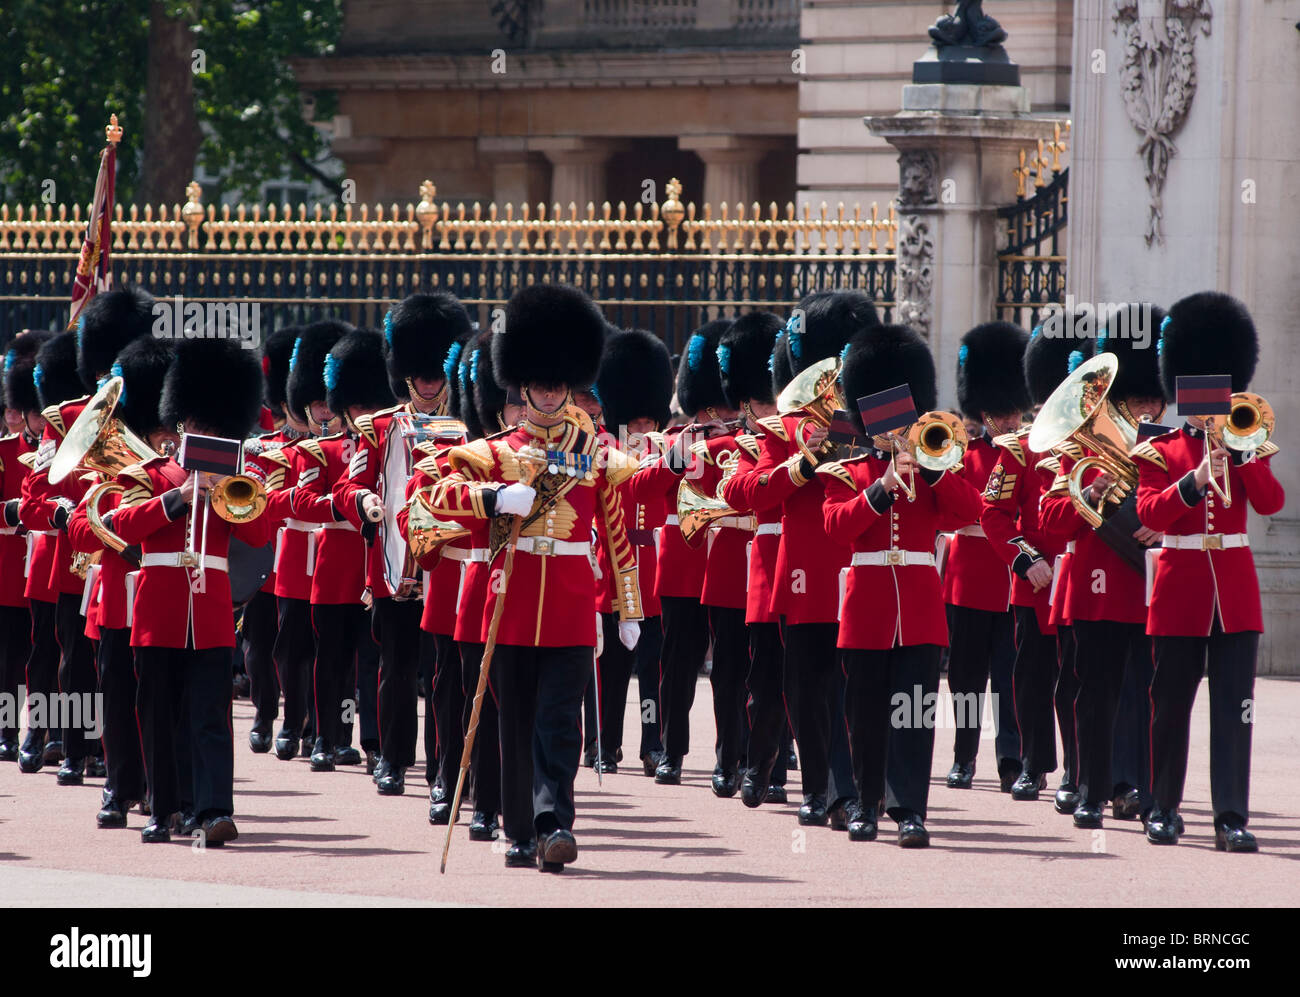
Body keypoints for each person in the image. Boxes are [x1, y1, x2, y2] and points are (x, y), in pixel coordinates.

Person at [425, 282, 643, 872]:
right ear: (521, 384)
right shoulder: (490, 454)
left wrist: (629, 608)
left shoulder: (598, 456)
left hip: (571, 603)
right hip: (511, 600)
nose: (548, 392)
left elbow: (618, 535)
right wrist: (493, 498)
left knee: (558, 724)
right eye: (540, 383)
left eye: (557, 382)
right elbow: (436, 496)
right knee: (513, 722)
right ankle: (519, 830)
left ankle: (554, 825)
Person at [821, 323, 982, 847]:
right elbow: (835, 527)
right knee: (865, 713)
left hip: (917, 601)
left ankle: (909, 808)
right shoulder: (848, 470)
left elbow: (971, 511)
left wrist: (932, 471)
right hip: (867, 602)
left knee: (915, 711)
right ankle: (866, 805)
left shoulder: (936, 467)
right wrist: (883, 488)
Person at [110, 334, 274, 844]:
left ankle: (213, 810)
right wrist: (178, 497)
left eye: (215, 424)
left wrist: (231, 490)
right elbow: (119, 523)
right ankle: (163, 809)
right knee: (158, 715)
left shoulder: (237, 476)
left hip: (210, 611)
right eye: (199, 422)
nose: (206, 431)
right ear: (182, 421)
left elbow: (257, 534)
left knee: (209, 716)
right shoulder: (153, 473)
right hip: (159, 607)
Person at [1135, 291, 1284, 852]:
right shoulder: (1160, 450)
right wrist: (1195, 478)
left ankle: (1230, 817)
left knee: (1234, 709)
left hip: (1235, 594)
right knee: (1170, 706)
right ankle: (1164, 808)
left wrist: (1243, 456)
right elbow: (1149, 512)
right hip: (1179, 591)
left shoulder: (1251, 441)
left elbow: (1270, 504)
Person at [727, 290, 867, 829]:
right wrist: (801, 467)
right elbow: (749, 493)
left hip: (860, 561)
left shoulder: (872, 415)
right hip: (808, 566)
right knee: (807, 687)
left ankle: (853, 789)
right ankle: (820, 788)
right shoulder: (779, 429)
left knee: (855, 685)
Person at [334, 294, 472, 797]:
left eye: (437, 371)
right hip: (394, 565)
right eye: (423, 372)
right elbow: (346, 488)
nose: (431, 381)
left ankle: (442, 769)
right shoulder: (379, 427)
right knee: (394, 670)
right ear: (407, 373)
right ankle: (392, 758)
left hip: (447, 567)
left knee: (443, 673)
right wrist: (366, 502)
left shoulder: (466, 428)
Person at [1038, 306, 1165, 830]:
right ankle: (1091, 787)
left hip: (1151, 585)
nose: (1145, 409)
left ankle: (1137, 787)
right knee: (1096, 694)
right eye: (1137, 400)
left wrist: (1166, 525)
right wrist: (1086, 492)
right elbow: (1049, 519)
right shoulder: (1081, 448)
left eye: (1152, 400)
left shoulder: (1169, 448)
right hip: (1097, 586)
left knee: (1147, 694)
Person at [68, 335, 173, 827]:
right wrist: (113, 533)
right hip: (117, 596)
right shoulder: (110, 458)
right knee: (115, 695)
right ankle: (118, 784)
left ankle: (158, 787)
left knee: (158, 700)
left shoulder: (176, 463)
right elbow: (77, 526)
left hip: (166, 598)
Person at [630, 319, 733, 786]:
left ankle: (732, 754)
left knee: (733, 667)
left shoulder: (744, 443)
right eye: (709, 406)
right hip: (683, 566)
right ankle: (671, 749)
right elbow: (638, 489)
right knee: (677, 666)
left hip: (729, 561)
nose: (716, 414)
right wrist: (676, 458)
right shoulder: (672, 441)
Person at [285, 325, 390, 777]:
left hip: (377, 567)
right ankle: (325, 737)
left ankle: (373, 743)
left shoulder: (394, 448)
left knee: (373, 663)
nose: (365, 413)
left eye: (371, 405)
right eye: (359, 406)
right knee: (330, 661)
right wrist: (346, 505)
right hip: (332, 568)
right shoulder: (320, 450)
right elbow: (304, 503)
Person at [978, 325, 1066, 802]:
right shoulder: (1021, 448)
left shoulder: (1105, 443)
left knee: (1083, 681)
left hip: (1082, 580)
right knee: (1032, 680)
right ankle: (1034, 763)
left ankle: (1084, 771)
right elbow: (992, 513)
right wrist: (1024, 559)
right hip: (1035, 582)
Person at [943, 322, 1027, 792]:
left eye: (1013, 412)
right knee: (966, 678)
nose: (1009, 421)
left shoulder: (1029, 456)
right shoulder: (964, 454)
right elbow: (953, 508)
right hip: (970, 575)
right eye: (1000, 413)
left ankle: (1010, 757)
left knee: (1010, 675)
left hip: (1011, 577)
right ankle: (963, 757)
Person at [586, 328, 673, 774]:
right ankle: (603, 742)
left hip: (652, 571)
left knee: (652, 669)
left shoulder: (671, 450)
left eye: (648, 422)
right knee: (609, 667)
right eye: (636, 423)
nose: (643, 430)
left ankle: (651, 744)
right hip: (611, 567)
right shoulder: (602, 450)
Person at [716, 311, 791, 806]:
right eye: (762, 403)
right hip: (764, 566)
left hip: (813, 566)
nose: (769, 411)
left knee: (805, 678)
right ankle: (750, 761)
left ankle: (785, 767)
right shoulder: (749, 445)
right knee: (758, 677)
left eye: (774, 400)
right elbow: (744, 492)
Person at [0, 331, 45, 762]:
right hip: (13, 569)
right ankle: (6, 729)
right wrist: (14, 514)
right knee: (10, 660)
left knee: (46, 659)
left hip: (52, 568)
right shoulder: (3, 453)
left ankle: (47, 731)